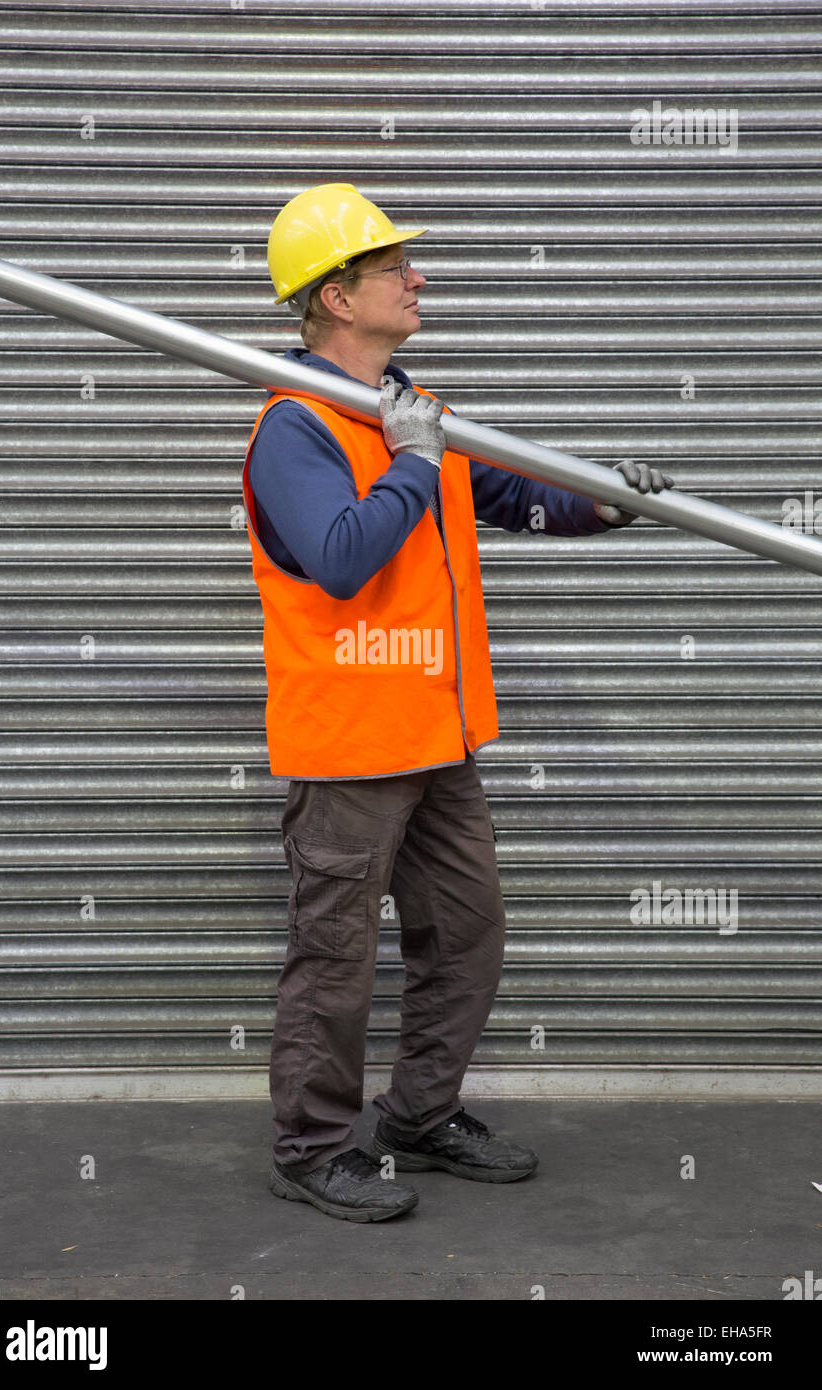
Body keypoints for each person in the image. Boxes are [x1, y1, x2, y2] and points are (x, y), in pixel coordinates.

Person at [242, 183, 674, 1223]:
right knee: (334, 965)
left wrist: (600, 501)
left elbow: (509, 496)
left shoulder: (405, 411)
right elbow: (343, 560)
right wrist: (409, 458)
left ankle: (419, 1117)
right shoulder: (297, 429)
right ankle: (309, 1148)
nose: (416, 278)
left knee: (469, 934)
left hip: (434, 738)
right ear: (338, 299)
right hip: (348, 750)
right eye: (396, 267)